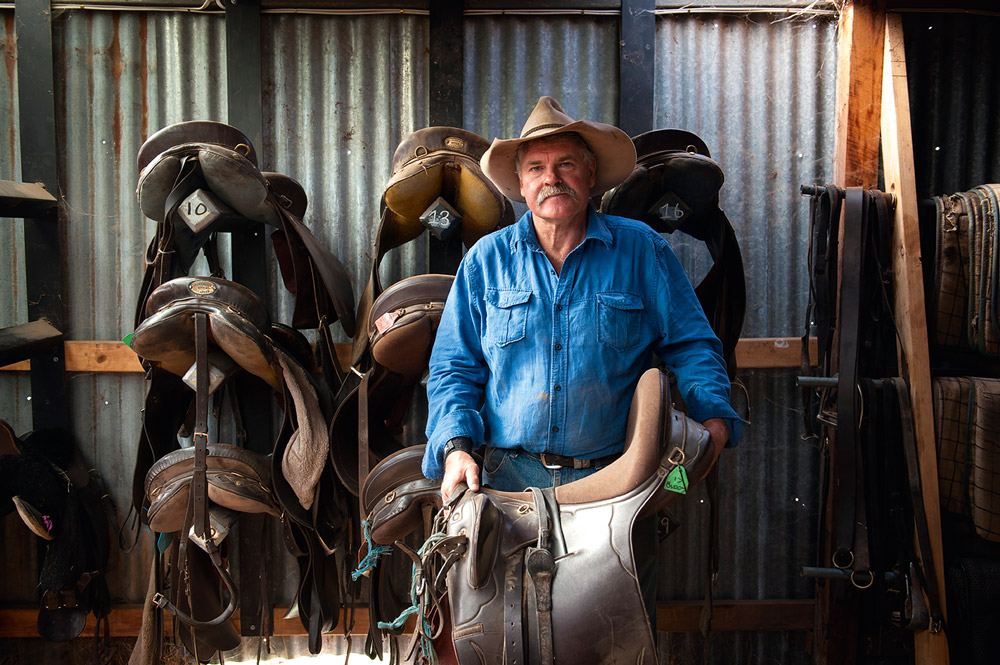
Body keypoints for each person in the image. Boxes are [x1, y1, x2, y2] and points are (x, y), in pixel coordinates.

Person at [422, 96, 742, 499]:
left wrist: (713, 417)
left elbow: (693, 344)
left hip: (620, 476)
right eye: (536, 168)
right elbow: (455, 366)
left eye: (566, 164)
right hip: (508, 479)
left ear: (590, 174)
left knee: (623, 565)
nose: (551, 178)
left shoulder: (642, 251)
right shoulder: (485, 261)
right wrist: (455, 449)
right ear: (521, 185)